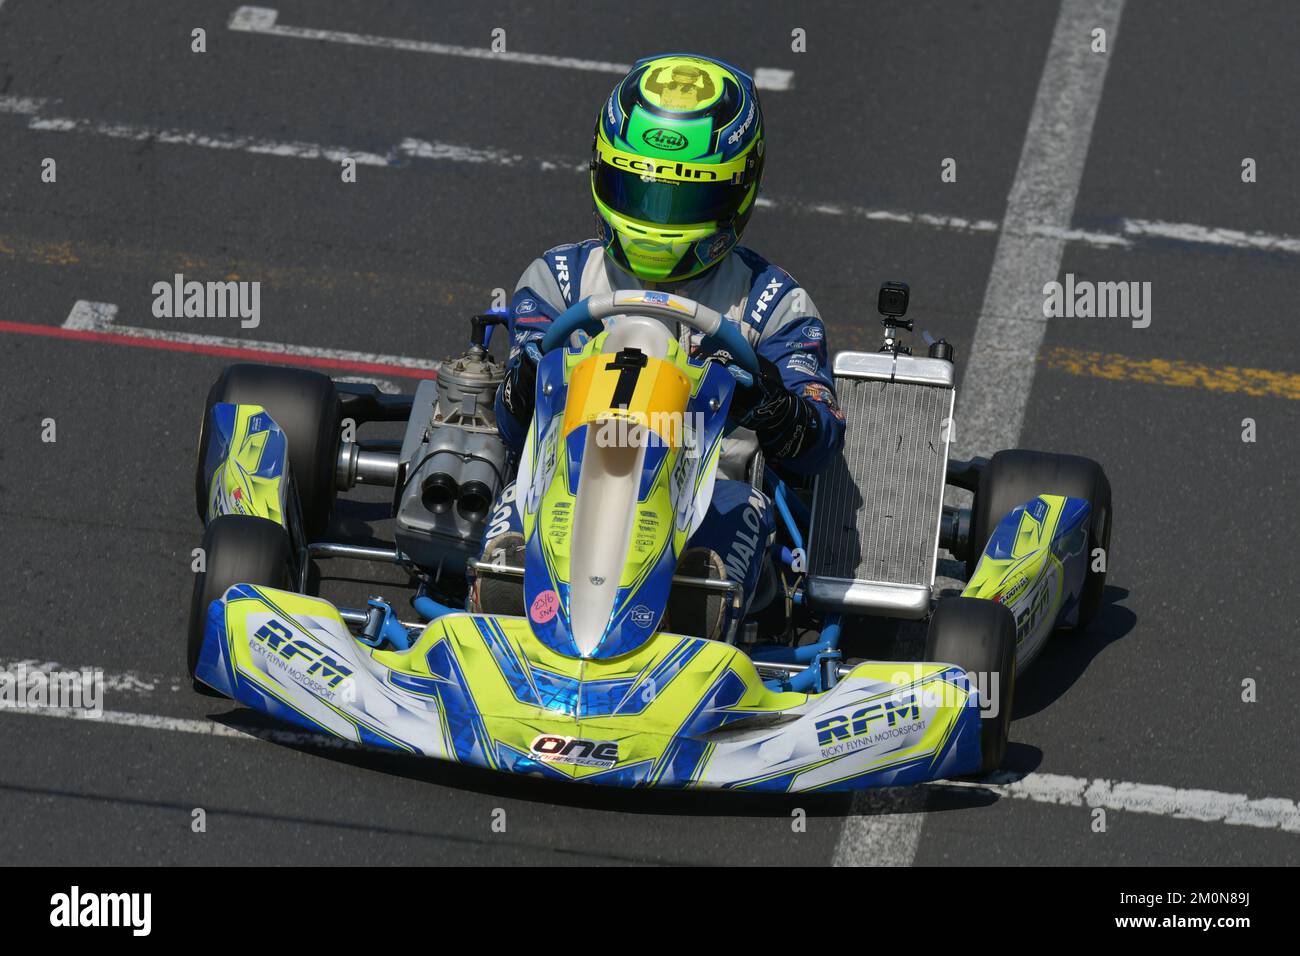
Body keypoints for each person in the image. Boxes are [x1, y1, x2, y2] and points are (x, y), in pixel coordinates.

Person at [483, 53, 845, 637]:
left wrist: (774, 406)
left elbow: (819, 444)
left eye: (685, 202)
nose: (657, 220)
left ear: (737, 191)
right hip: (567, 483)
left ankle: (692, 655)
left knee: (721, 551)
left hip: (704, 496)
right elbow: (510, 422)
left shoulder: (771, 303)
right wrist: (525, 377)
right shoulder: (559, 280)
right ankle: (508, 631)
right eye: (641, 190)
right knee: (507, 541)